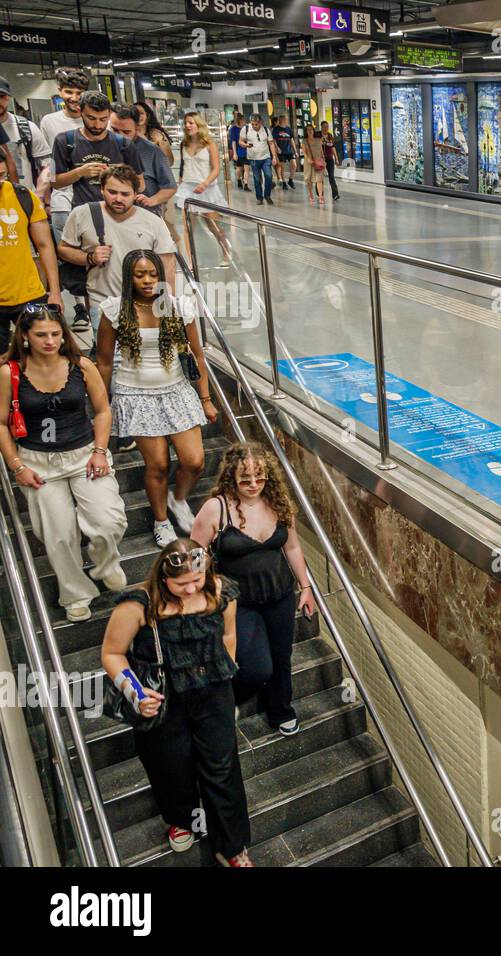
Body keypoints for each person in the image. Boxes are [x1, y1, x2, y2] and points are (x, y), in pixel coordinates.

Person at [101, 539, 254, 866]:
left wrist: (226, 668)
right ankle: (181, 819)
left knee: (222, 769)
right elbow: (112, 653)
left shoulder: (220, 591)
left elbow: (228, 635)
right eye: (181, 583)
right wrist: (136, 693)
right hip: (164, 700)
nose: (191, 589)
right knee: (171, 767)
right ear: (163, 577)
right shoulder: (139, 605)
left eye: (197, 579)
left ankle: (231, 846)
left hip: (212, 693)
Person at [0, 305, 126, 622]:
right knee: (58, 535)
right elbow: (1, 423)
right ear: (24, 336)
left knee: (109, 521)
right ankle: (74, 594)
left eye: (56, 334)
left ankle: (106, 560)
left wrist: (100, 450)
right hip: (37, 461)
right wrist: (16, 466)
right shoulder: (10, 372)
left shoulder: (81, 365)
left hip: (84, 454)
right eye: (41, 335)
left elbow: (103, 410)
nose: (50, 341)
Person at [191, 442, 315, 737]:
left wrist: (306, 587)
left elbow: (292, 547)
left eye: (259, 478)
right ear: (231, 477)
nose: (253, 485)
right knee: (256, 668)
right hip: (239, 602)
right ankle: (220, 703)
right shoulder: (216, 508)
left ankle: (281, 710)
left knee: (281, 657)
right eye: (245, 479)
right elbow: (195, 553)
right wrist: (199, 589)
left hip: (280, 595)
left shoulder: (279, 502)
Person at [96, 249, 216, 548]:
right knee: (158, 465)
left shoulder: (177, 306)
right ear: (129, 277)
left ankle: (179, 499)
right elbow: (105, 361)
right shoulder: (114, 310)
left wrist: (205, 398)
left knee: (195, 461)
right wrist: (102, 405)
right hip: (135, 395)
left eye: (152, 274)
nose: (147, 280)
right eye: (140, 275)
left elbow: (198, 355)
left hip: (176, 391)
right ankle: (161, 521)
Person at [58, 165, 175, 335]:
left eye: (125, 194)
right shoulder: (82, 214)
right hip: (101, 305)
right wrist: (90, 257)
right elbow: (63, 249)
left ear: (135, 194)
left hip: (144, 307)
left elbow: (167, 264)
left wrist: (167, 307)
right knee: (106, 352)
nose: (118, 199)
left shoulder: (153, 222)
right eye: (112, 192)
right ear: (102, 189)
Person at [40, 68, 92, 331]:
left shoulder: (94, 119)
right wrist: (46, 198)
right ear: (60, 92)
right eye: (68, 92)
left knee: (93, 253)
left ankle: (97, 306)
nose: (73, 97)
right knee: (69, 255)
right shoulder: (50, 122)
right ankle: (80, 306)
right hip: (63, 199)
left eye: (78, 92)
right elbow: (49, 165)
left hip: (92, 198)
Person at [0, 148, 62, 352]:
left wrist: (54, 292)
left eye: (2, 175)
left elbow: (45, 245)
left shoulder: (22, 196)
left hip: (28, 294)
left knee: (41, 354)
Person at [174, 111, 231, 266]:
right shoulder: (184, 144)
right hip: (188, 189)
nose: (187, 126)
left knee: (213, 226)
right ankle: (191, 264)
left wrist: (205, 184)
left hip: (207, 189)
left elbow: (216, 169)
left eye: (191, 123)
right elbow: (183, 166)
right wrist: (181, 183)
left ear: (198, 124)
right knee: (187, 228)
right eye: (186, 123)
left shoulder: (209, 144)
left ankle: (226, 252)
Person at [108, 104, 176, 222]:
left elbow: (170, 187)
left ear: (137, 129)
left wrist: (152, 200)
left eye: (126, 132)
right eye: (114, 130)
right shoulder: (101, 146)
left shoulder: (152, 151)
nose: (119, 136)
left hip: (143, 218)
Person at [0, 74, 53, 199]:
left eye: (1, 96)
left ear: (8, 98)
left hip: (25, 199)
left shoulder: (26, 127)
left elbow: (50, 165)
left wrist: (41, 196)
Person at [239, 115, 275, 206]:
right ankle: (259, 198)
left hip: (266, 157)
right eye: (253, 124)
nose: (254, 126)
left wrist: (274, 156)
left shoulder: (266, 130)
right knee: (257, 178)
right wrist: (245, 145)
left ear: (261, 122)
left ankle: (267, 195)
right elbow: (240, 141)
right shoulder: (246, 129)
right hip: (253, 158)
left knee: (269, 176)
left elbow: (271, 143)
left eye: (256, 124)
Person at [302, 125, 326, 207]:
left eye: (311, 129)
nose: (310, 131)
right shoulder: (304, 141)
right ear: (306, 131)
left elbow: (321, 151)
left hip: (318, 162)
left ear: (313, 130)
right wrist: (308, 159)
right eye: (308, 130)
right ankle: (311, 194)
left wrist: (323, 160)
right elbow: (304, 152)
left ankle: (320, 197)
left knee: (319, 180)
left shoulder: (319, 140)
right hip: (309, 163)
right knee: (309, 180)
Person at [271, 116, 296, 190]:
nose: (287, 121)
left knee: (294, 165)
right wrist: (277, 148)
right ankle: (284, 182)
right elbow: (274, 140)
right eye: (286, 119)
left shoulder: (289, 129)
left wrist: (295, 151)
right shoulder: (276, 129)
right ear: (281, 120)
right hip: (281, 152)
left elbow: (291, 140)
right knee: (282, 167)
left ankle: (290, 180)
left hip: (289, 150)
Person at [227, 113, 248, 192]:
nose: (244, 121)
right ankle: (239, 179)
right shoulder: (234, 129)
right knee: (239, 168)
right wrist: (235, 153)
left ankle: (246, 184)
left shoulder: (245, 128)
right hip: (238, 150)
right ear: (240, 120)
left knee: (246, 167)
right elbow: (233, 142)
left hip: (246, 150)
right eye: (243, 120)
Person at [320, 123, 340, 201]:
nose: (326, 128)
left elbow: (333, 147)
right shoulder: (318, 136)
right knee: (320, 176)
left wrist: (336, 158)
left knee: (331, 176)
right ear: (321, 127)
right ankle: (320, 193)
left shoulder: (330, 136)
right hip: (321, 159)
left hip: (329, 159)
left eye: (327, 127)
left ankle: (335, 194)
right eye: (324, 127)